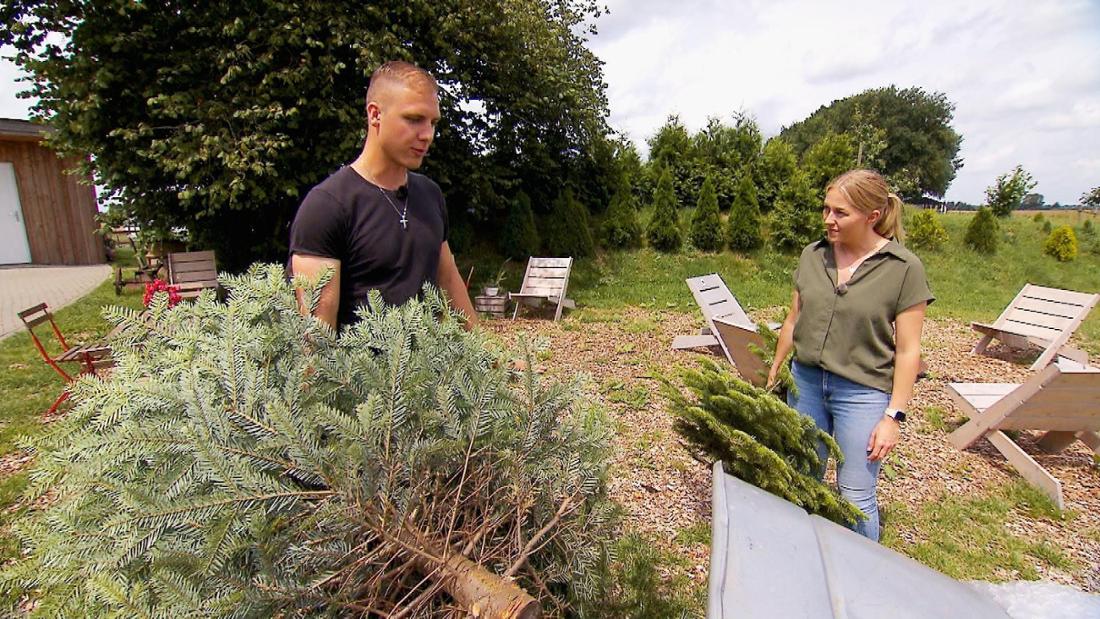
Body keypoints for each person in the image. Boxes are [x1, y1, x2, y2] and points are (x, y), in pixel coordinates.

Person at [766, 169, 933, 541]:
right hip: (806, 382)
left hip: (862, 391)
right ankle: (798, 554)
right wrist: (779, 364)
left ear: (872, 216)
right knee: (802, 476)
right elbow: (794, 318)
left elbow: (908, 351)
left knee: (855, 492)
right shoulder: (813, 255)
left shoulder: (903, 269)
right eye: (826, 209)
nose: (828, 219)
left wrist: (894, 417)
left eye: (840, 213)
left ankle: (861, 578)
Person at [288, 61, 477, 330]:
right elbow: (316, 339)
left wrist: (492, 363)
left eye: (432, 122)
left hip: (428, 371)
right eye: (414, 119)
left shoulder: (430, 195)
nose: (427, 135)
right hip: (357, 372)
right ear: (375, 114)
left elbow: (448, 283)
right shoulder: (327, 206)